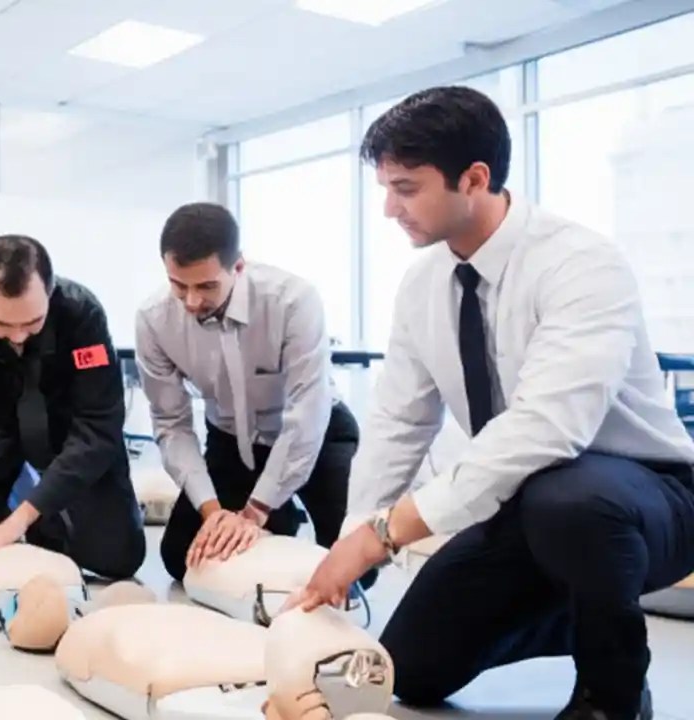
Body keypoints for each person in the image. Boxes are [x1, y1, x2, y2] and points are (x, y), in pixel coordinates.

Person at [285, 86, 694, 720]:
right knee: (411, 669)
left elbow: (547, 430)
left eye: (407, 188)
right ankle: (584, 609)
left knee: (570, 498)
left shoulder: (581, 265)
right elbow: (398, 422)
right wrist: (351, 547)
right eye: (385, 188)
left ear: (474, 178)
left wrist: (387, 534)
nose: (390, 209)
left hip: (648, 497)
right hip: (530, 507)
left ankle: (612, 692)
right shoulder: (423, 285)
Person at [135, 202, 365, 584]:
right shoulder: (154, 319)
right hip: (230, 440)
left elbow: (307, 412)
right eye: (179, 285)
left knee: (354, 565)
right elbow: (171, 425)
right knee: (180, 556)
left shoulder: (293, 301)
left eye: (206, 286)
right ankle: (281, 519)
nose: (191, 302)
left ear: (238, 267)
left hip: (318, 433)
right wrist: (215, 513)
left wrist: (254, 512)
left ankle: (277, 514)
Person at [0, 234, 146, 580]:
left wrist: (22, 519)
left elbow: (99, 427)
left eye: (32, 323)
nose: (19, 337)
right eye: (2, 325)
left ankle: (45, 519)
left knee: (117, 558)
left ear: (50, 293)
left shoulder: (82, 315)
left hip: (68, 430)